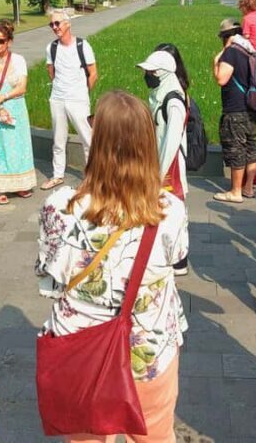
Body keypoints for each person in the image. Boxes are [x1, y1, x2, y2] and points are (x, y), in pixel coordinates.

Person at [36, 90, 189, 442]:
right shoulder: (169, 210)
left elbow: (47, 271)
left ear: (96, 141)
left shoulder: (60, 205)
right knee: (155, 436)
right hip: (147, 348)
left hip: (80, 348)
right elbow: (177, 260)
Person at [139, 45, 191, 276]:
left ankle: (179, 260)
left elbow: (171, 141)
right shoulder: (161, 95)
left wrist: (159, 175)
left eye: (151, 73)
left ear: (162, 74)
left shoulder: (173, 101)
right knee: (164, 210)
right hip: (159, 160)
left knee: (175, 211)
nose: (147, 77)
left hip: (170, 166)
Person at [0, 22, 36, 204]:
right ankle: (0, 188)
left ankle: (20, 184)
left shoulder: (18, 60)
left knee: (19, 146)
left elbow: (22, 87)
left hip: (16, 107)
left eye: (0, 41)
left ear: (9, 41)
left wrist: (5, 97)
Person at [42, 9, 97, 191]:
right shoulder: (52, 48)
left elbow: (93, 73)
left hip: (78, 98)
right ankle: (57, 175)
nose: (54, 27)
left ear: (68, 24)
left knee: (87, 138)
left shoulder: (83, 46)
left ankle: (91, 177)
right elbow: (51, 72)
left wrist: (82, 92)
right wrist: (61, 88)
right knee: (58, 139)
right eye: (52, 24)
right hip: (58, 98)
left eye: (57, 23)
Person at [212, 19, 256, 203]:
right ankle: (248, 188)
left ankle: (235, 191)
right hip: (251, 108)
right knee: (250, 147)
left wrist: (217, 60)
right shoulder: (249, 50)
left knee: (236, 148)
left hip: (235, 109)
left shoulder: (231, 52)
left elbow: (221, 79)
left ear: (226, 37)